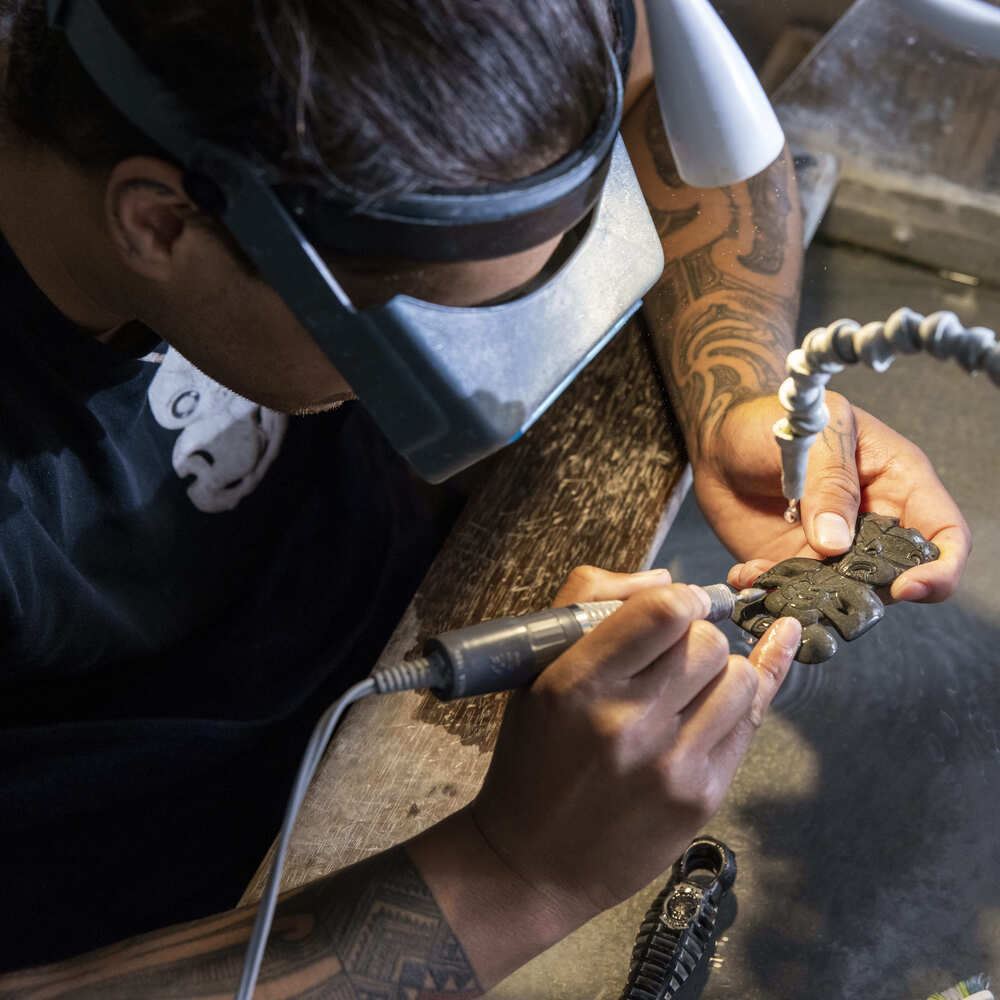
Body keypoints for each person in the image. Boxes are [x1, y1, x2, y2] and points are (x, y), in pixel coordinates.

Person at [0, 0, 969, 995]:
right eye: (420, 309)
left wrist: (734, 395)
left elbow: (649, 93)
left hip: (409, 638)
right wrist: (512, 873)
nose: (492, 373)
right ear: (163, 224)